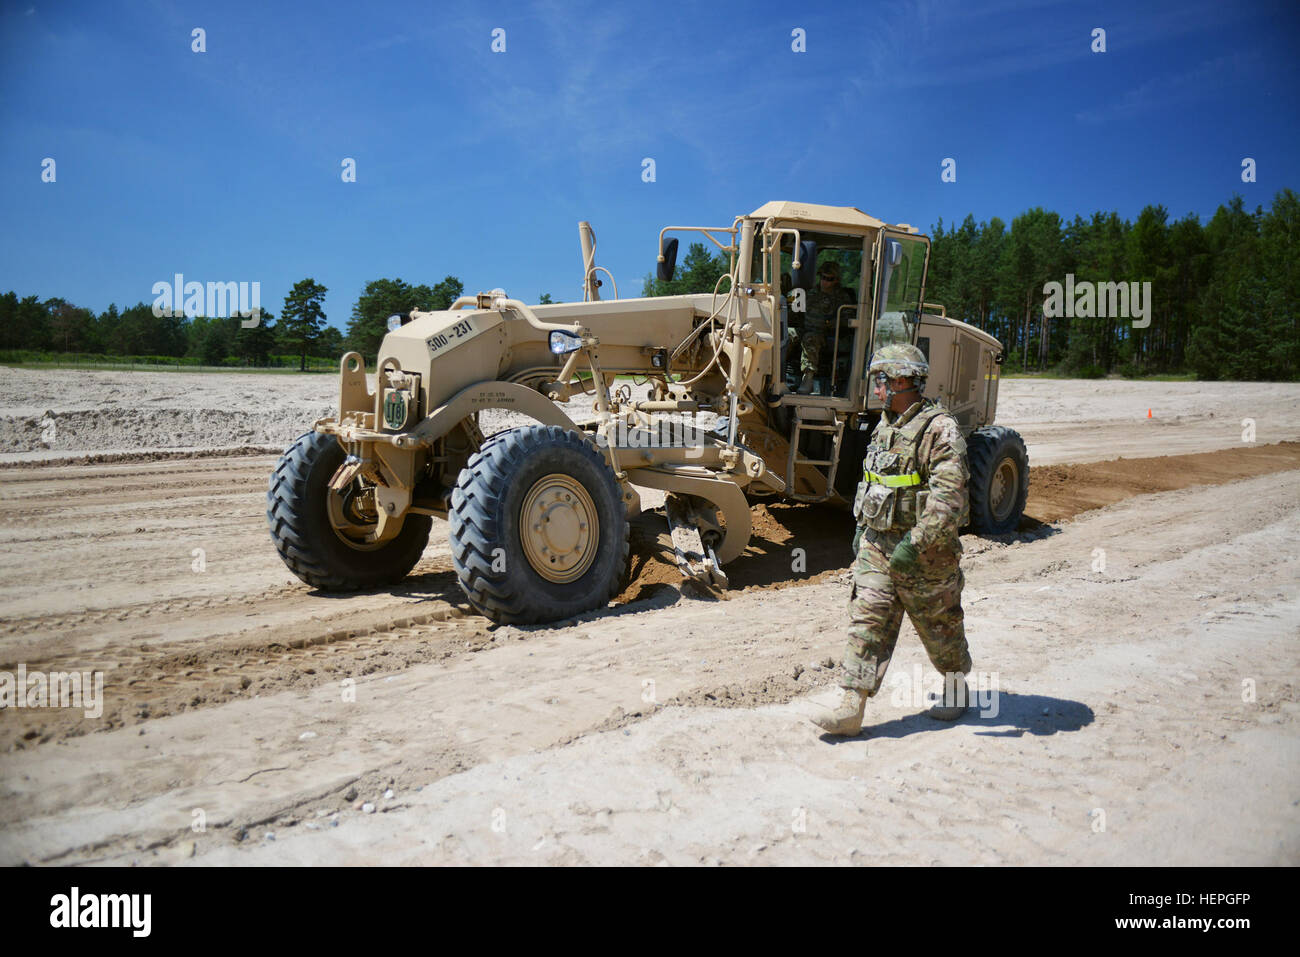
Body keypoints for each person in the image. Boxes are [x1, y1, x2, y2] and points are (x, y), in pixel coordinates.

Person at [811, 342, 973, 735]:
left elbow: (948, 499)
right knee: (866, 621)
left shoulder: (939, 429)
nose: (876, 387)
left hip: (926, 553)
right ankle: (852, 705)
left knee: (940, 627)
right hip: (878, 547)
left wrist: (914, 546)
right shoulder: (884, 425)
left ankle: (955, 685)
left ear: (902, 380)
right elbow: (874, 483)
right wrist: (862, 532)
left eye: (880, 379)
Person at [790, 260, 854, 394]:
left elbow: (848, 319)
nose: (824, 281)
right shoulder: (810, 293)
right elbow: (796, 313)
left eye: (829, 279)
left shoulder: (841, 297)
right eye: (823, 277)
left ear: (836, 280)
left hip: (825, 334)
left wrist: (833, 322)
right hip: (806, 329)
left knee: (810, 338)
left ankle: (808, 378)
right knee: (785, 334)